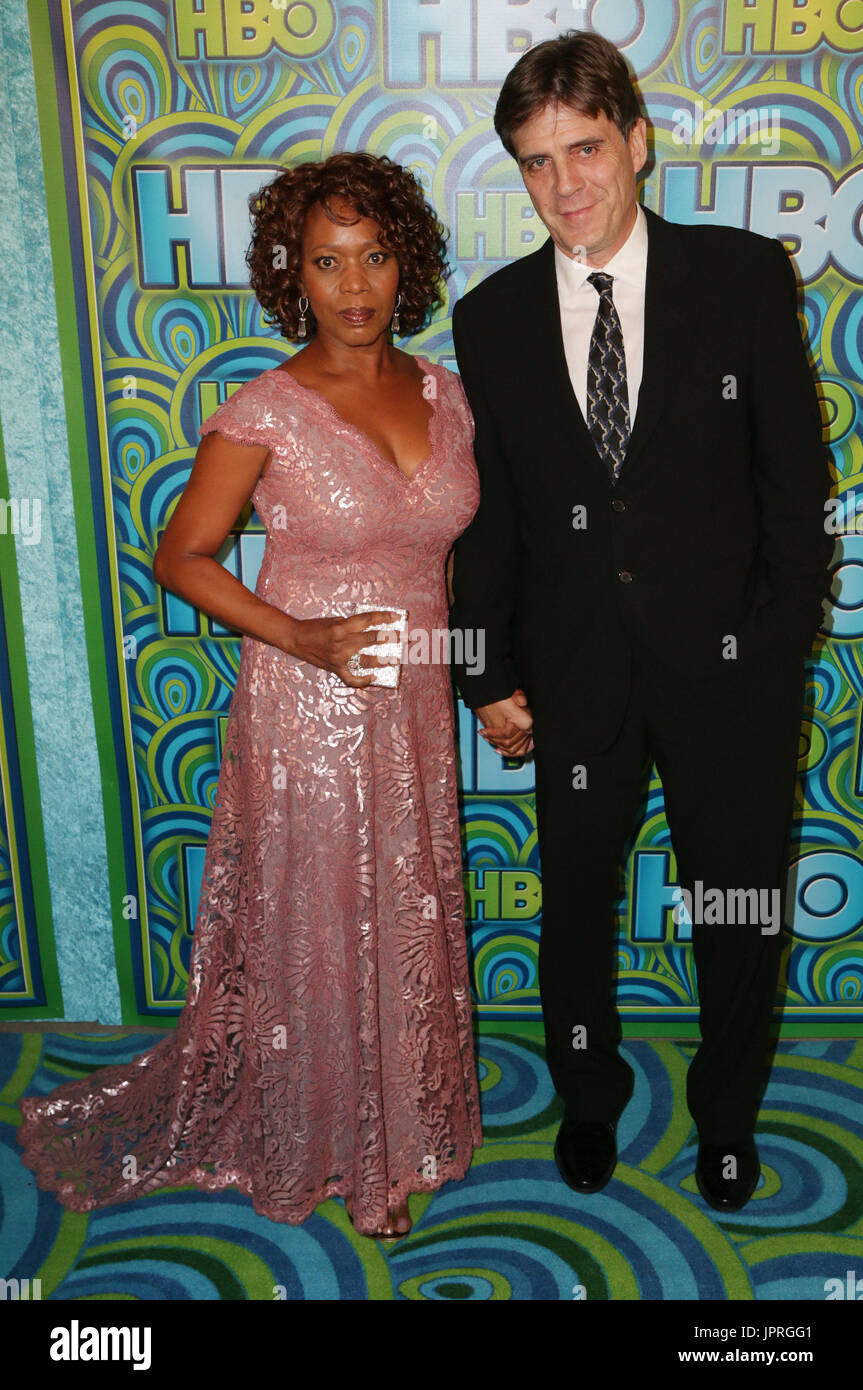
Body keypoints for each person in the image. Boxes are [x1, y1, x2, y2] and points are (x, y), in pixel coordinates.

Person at [17, 151, 483, 1240]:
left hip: (410, 704)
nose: (354, 284)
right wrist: (305, 638)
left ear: (404, 263)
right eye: (327, 262)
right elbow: (183, 555)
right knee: (324, 921)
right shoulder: (262, 410)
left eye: (374, 256)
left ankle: (402, 1122)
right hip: (304, 709)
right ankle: (340, 1150)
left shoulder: (446, 393)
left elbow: (447, 557)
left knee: (403, 910)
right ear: (295, 275)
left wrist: (466, 674)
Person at [448, 31, 833, 1212]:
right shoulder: (491, 316)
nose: (562, 184)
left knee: (735, 903)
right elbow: (493, 516)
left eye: (583, 148)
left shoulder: (741, 277)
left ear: (636, 141)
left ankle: (725, 1117)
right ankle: (587, 1097)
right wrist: (486, 669)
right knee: (574, 905)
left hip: (731, 672)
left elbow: (793, 488)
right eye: (533, 162)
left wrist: (769, 650)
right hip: (574, 673)